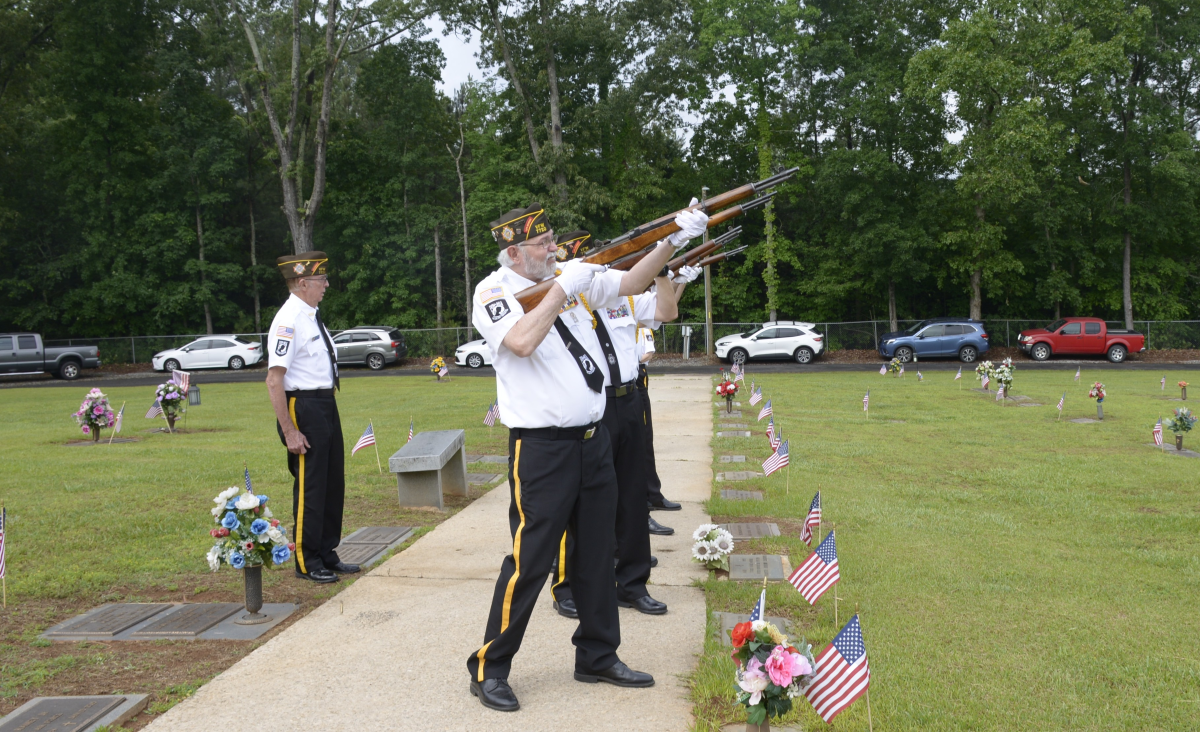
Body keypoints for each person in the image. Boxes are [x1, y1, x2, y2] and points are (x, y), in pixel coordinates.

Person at [466, 202, 705, 712]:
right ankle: (489, 666)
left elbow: (632, 283)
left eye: (553, 239)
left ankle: (597, 654)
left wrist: (672, 243)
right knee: (529, 561)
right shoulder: (494, 291)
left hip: (594, 440)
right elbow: (521, 342)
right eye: (541, 243)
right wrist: (562, 288)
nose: (553, 248)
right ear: (512, 251)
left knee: (597, 552)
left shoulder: (563, 276)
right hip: (542, 448)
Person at [549, 235, 702, 619]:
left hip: (629, 399)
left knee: (633, 497)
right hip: (594, 406)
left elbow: (667, 312)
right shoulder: (568, 298)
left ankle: (631, 584)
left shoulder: (624, 296)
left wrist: (665, 273)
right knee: (583, 502)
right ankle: (567, 586)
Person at [264, 252, 359, 585]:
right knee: (311, 486)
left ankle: (327, 552)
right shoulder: (289, 319)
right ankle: (307, 559)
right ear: (302, 283)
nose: (327, 285)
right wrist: (289, 430)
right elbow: (274, 379)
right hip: (303, 406)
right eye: (321, 280)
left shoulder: (311, 315)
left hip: (324, 403)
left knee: (333, 482)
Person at [643, 264, 703, 512]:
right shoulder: (627, 298)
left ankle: (651, 495)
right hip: (625, 380)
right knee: (637, 450)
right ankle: (645, 502)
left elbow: (668, 309)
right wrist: (671, 280)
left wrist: (680, 281)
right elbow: (662, 310)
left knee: (645, 445)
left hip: (636, 380)